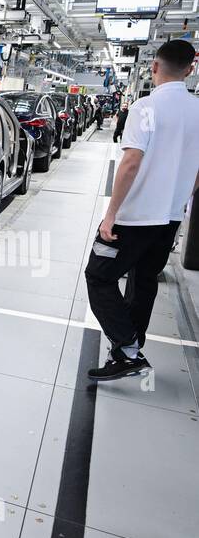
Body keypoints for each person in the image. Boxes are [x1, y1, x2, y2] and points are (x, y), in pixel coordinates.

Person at [84, 39, 199, 380]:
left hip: (135, 217)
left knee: (98, 276)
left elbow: (131, 162)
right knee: (144, 280)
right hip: (170, 218)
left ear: (153, 68)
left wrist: (110, 215)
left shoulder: (145, 108)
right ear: (190, 70)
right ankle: (126, 352)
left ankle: (128, 347)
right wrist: (178, 198)